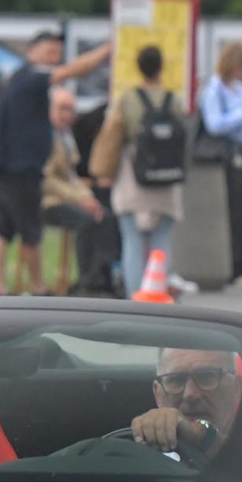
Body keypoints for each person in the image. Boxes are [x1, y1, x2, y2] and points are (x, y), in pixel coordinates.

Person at [0, 30, 114, 293]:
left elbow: (68, 174)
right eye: (49, 53)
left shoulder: (18, 81)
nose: (54, 60)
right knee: (29, 233)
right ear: (32, 51)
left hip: (8, 167)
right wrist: (106, 50)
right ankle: (38, 289)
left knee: (2, 229)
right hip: (24, 171)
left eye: (57, 54)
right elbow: (74, 70)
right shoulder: (31, 78)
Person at [87, 43, 186, 298]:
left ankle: (135, 299)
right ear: (161, 67)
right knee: (161, 241)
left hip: (133, 175)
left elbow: (111, 138)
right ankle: (159, 294)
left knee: (131, 240)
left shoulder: (127, 100)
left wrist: (102, 172)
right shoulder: (174, 100)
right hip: (167, 177)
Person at [200, 41, 242, 289]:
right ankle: (235, 267)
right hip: (225, 155)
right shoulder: (213, 90)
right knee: (234, 212)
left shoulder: (238, 89)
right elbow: (214, 124)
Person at [39, 85, 113, 294]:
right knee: (86, 222)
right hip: (49, 201)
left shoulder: (66, 136)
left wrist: (89, 198)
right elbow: (47, 179)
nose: (66, 115)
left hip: (68, 196)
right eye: (61, 108)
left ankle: (99, 278)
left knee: (104, 217)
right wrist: (80, 200)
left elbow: (72, 176)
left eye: (70, 109)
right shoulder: (44, 137)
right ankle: (85, 280)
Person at [128, 345, 242, 463]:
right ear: (157, 393)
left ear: (237, 388)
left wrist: (204, 437)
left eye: (206, 376)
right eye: (176, 380)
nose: (190, 394)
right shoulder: (136, 458)